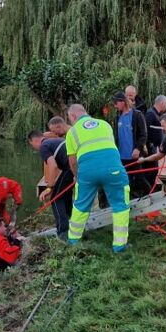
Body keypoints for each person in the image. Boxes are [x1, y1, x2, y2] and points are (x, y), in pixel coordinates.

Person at [65, 104, 131, 253]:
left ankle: (73, 241)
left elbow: (73, 162)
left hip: (88, 172)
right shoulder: (105, 124)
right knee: (120, 205)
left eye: (70, 118)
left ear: (73, 116)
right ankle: (119, 245)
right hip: (112, 168)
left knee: (80, 205)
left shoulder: (72, 132)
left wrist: (76, 176)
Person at [27, 123, 74, 240]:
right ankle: (71, 223)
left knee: (55, 198)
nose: (34, 147)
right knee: (65, 195)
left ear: (34, 141)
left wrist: (49, 187)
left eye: (32, 144)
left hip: (70, 168)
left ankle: (63, 232)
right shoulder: (55, 141)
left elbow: (52, 166)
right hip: (76, 166)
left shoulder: (44, 146)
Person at [111, 92, 151, 196]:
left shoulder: (137, 115)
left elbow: (143, 134)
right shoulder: (117, 117)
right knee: (125, 179)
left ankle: (149, 194)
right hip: (121, 156)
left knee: (139, 177)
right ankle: (131, 198)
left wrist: (138, 148)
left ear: (122, 102)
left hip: (134, 154)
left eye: (116, 103)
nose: (115, 106)